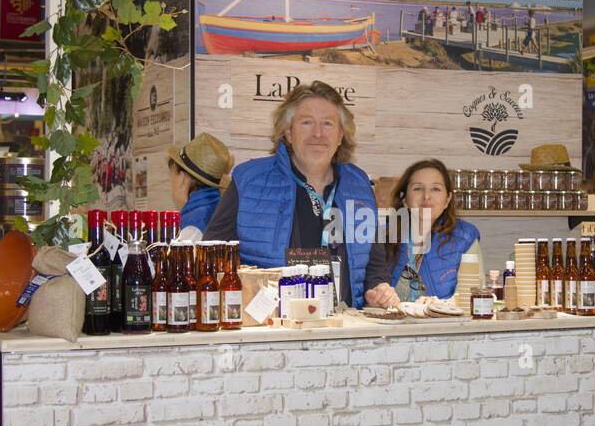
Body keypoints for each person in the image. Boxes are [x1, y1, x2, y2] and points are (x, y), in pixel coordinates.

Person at [204, 80, 377, 308]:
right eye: (306, 122)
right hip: (272, 328)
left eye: (327, 123)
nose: (317, 133)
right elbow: (211, 254)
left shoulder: (360, 185)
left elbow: (375, 260)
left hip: (342, 327)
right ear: (287, 132)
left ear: (341, 135)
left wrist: (377, 288)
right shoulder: (249, 181)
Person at [364, 160, 480, 306]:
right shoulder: (381, 236)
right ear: (404, 198)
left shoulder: (466, 237)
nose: (427, 196)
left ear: (447, 200)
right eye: (418, 188)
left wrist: (441, 305)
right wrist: (375, 298)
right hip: (392, 325)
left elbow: (473, 295)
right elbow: (366, 292)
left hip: (446, 326)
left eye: (436, 189)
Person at [166, 132, 232, 235]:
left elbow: (187, 250)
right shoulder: (220, 207)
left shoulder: (194, 221)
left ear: (183, 178)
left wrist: (186, 211)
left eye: (173, 175)